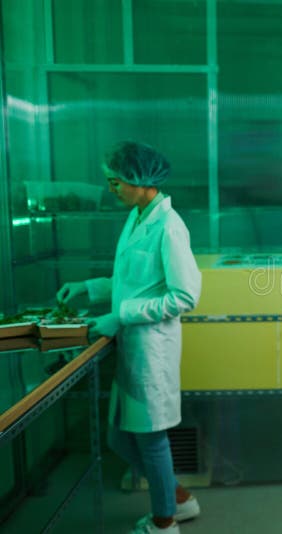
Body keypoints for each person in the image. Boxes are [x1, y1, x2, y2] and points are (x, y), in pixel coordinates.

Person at [57, 141, 202, 534]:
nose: (111, 189)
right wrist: (89, 286)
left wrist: (120, 315)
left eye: (115, 181)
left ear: (139, 180)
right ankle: (180, 500)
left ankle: (163, 522)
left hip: (151, 352)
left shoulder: (169, 227)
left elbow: (185, 296)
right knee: (120, 438)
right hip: (131, 350)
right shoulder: (138, 216)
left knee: (151, 442)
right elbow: (133, 283)